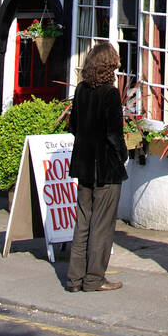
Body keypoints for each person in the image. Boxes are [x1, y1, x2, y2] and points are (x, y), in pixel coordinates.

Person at [66, 41, 128, 292]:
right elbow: (114, 134)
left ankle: (74, 279)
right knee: (101, 226)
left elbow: (73, 127)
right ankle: (93, 279)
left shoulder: (81, 90)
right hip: (105, 169)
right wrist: (123, 154)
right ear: (109, 64)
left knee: (82, 223)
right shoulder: (110, 94)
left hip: (83, 165)